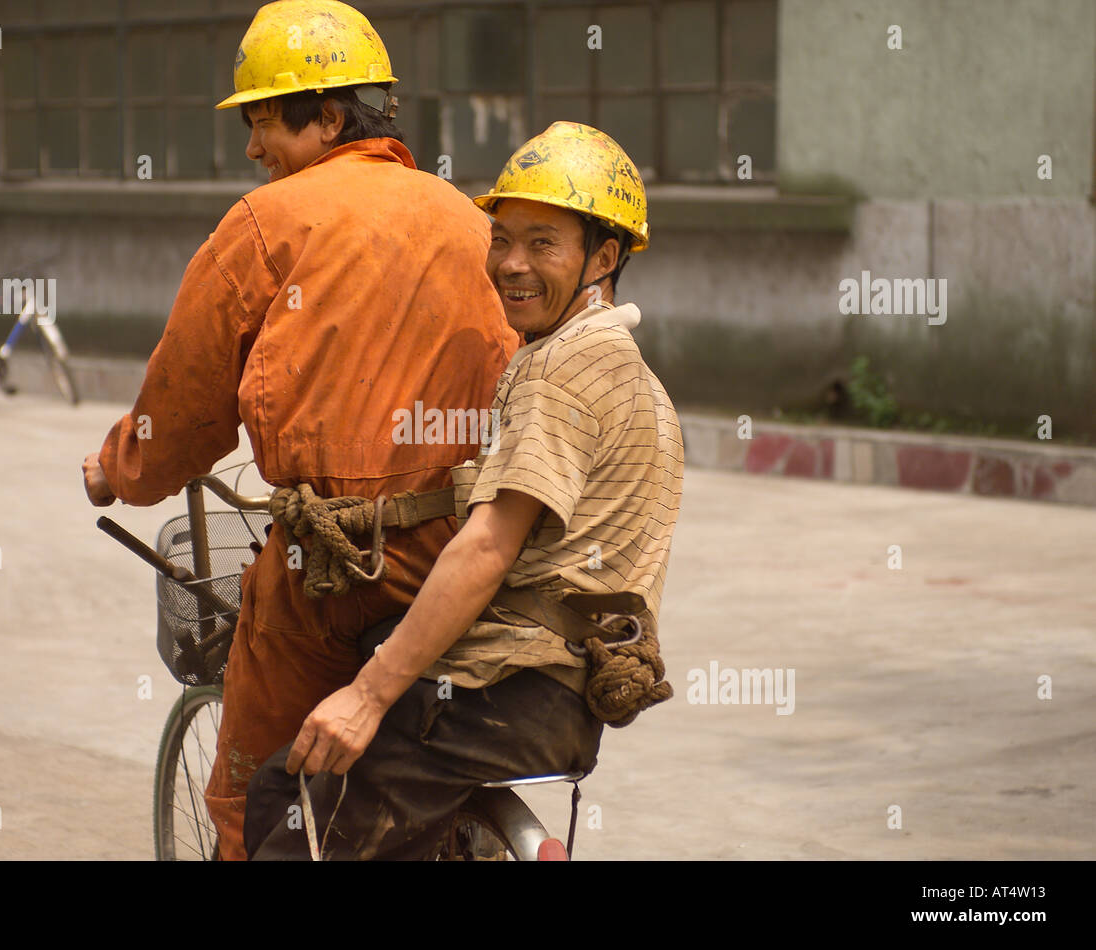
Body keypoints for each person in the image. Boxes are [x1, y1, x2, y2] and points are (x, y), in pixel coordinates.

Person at [80, 0, 516, 860]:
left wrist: (116, 470)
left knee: (257, 801)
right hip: (457, 562)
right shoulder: (473, 222)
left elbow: (184, 412)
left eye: (264, 122)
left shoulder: (264, 225)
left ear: (327, 116)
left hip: (322, 574)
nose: (251, 148)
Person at [244, 121, 686, 860]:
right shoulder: (627, 370)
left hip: (514, 691)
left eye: (542, 244)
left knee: (284, 792)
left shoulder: (560, 373)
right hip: (568, 689)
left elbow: (487, 545)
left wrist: (368, 698)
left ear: (602, 258)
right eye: (502, 239)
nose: (511, 264)